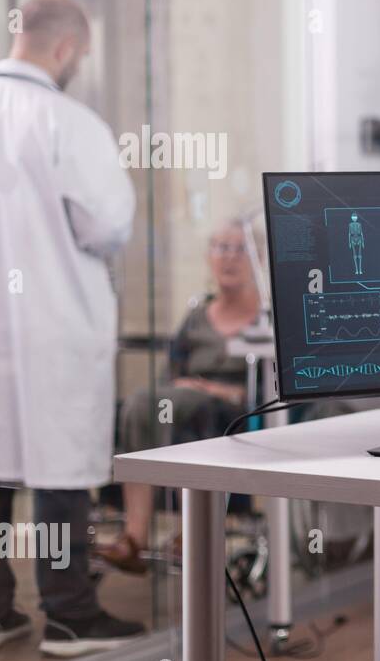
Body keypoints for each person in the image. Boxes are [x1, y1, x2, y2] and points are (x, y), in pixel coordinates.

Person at [0, 0, 144, 656]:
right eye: (84, 54)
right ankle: (71, 615)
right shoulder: (69, 122)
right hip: (54, 325)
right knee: (61, 469)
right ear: (65, 48)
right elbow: (107, 226)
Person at [97, 220, 261, 574]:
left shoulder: (267, 316)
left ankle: (190, 534)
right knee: (140, 405)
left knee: (181, 407)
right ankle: (135, 537)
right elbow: (169, 376)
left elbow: (278, 387)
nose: (228, 257)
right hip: (185, 402)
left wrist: (221, 390)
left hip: (238, 413)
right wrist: (184, 389)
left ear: (257, 257)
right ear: (209, 257)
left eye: (239, 248)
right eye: (220, 247)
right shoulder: (197, 316)